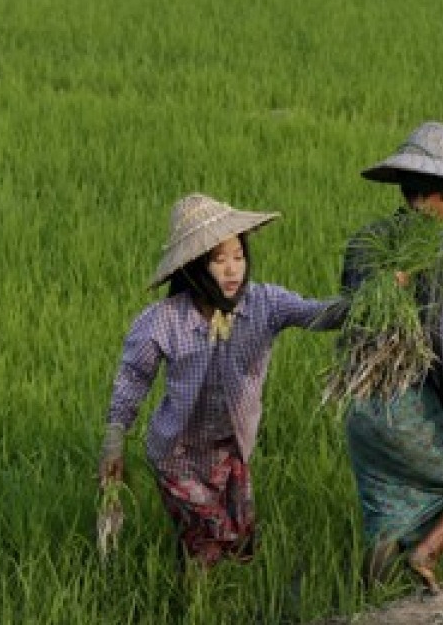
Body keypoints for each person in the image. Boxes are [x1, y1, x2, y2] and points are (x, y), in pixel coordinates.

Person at [98, 193, 346, 571]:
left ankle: (214, 598)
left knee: (240, 543)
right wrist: (113, 446)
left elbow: (318, 314)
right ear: (195, 267)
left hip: (231, 452)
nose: (233, 270)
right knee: (211, 533)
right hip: (177, 455)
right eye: (219, 260)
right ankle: (195, 603)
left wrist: (370, 299)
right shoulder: (165, 320)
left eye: (239, 256)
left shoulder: (265, 304)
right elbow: (132, 381)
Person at [340, 122, 443, 594]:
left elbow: (349, 313)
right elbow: (442, 334)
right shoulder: (439, 246)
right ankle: (427, 552)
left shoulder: (363, 241)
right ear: (438, 195)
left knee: (384, 514)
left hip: (361, 406)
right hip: (408, 404)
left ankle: (369, 604)